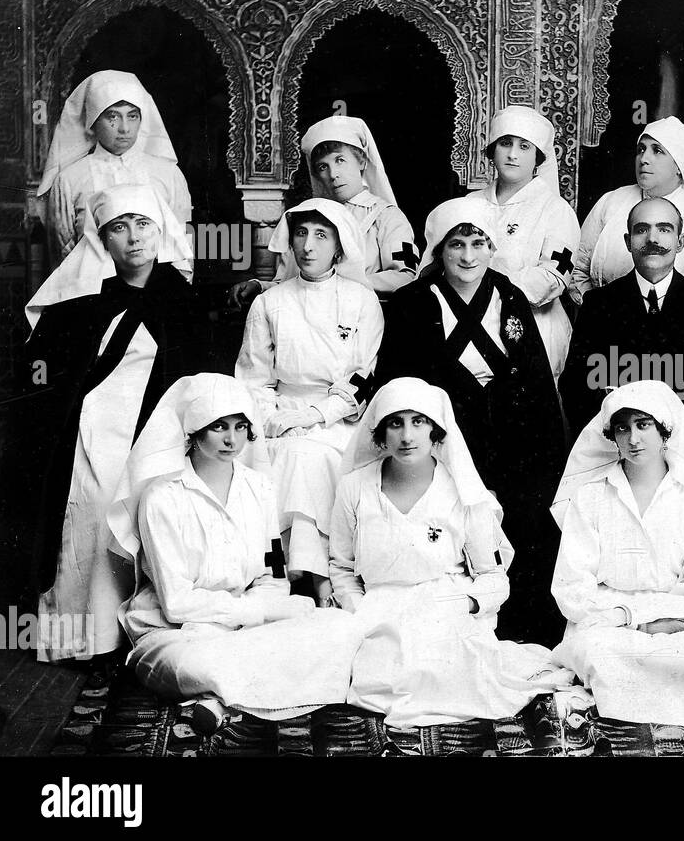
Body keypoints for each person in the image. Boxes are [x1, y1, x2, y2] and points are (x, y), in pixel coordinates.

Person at [109, 373, 363, 733]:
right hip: (180, 632)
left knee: (344, 627)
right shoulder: (162, 497)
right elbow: (177, 604)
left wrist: (258, 614)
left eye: (241, 426)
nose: (232, 439)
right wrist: (257, 614)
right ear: (194, 432)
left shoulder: (259, 487)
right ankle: (250, 686)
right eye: (218, 427)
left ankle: (218, 700)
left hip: (249, 625)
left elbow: (272, 571)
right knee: (196, 663)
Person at [20, 183, 202, 663]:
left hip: (160, 424)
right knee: (96, 508)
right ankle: (92, 638)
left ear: (160, 230)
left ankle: (149, 638)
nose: (134, 238)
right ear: (103, 240)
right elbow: (51, 376)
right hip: (95, 425)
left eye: (143, 224)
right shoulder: (85, 303)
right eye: (119, 228)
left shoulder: (184, 300)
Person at [329, 377, 572, 726]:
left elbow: (492, 578)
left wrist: (467, 604)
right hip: (378, 608)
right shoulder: (355, 488)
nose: (407, 436)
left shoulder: (463, 493)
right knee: (378, 677)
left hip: (445, 605)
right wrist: (360, 612)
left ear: (436, 431)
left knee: (449, 673)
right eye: (395, 423)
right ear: (381, 433)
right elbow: (341, 566)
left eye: (418, 421)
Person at [377, 198, 565, 646]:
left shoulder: (509, 295)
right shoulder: (412, 302)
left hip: (514, 433)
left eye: (478, 243)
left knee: (530, 518)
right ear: (439, 250)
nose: (467, 256)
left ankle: (525, 629)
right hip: (446, 433)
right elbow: (398, 381)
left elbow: (536, 379)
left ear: (491, 246)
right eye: (456, 244)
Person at [551, 380, 684, 726]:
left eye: (643, 425)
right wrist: (643, 623)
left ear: (665, 431)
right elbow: (571, 590)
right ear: (611, 437)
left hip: (682, 624)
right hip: (610, 627)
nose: (633, 439)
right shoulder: (589, 496)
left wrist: (666, 624)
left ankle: (616, 696)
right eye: (622, 428)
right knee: (596, 651)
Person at [235, 198, 383, 606]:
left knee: (308, 456)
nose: (308, 245)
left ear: (339, 245)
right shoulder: (269, 303)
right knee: (286, 455)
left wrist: (316, 415)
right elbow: (254, 377)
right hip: (277, 418)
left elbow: (361, 377)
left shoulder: (361, 301)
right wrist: (275, 418)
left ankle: (307, 577)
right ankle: (280, 574)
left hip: (342, 421)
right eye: (301, 233)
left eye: (321, 235)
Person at [560, 197, 684, 457]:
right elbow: (576, 388)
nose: (652, 239)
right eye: (641, 229)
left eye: (664, 229)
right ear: (628, 242)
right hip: (617, 451)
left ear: (680, 243)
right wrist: (621, 444)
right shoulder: (599, 304)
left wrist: (678, 447)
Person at [229, 115, 418, 305]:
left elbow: (406, 278)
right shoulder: (308, 218)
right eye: (322, 167)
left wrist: (340, 282)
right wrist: (259, 286)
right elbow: (288, 283)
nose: (333, 174)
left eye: (340, 160)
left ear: (361, 161)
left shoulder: (386, 216)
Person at [467, 105, 581, 382]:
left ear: (538, 157)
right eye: (505, 143)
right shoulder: (468, 205)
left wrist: (483, 289)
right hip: (468, 323)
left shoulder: (555, 209)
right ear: (492, 150)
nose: (513, 154)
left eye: (524, 146)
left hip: (534, 328)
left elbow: (552, 277)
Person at [37, 70, 192, 264]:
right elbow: (64, 255)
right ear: (93, 120)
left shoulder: (168, 174)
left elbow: (181, 249)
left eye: (133, 116)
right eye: (113, 116)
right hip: (92, 290)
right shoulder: (69, 180)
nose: (124, 128)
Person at [570, 116, 684, 300]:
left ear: (679, 165)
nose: (643, 158)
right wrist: (599, 307)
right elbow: (577, 268)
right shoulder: (611, 200)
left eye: (657, 151)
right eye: (641, 149)